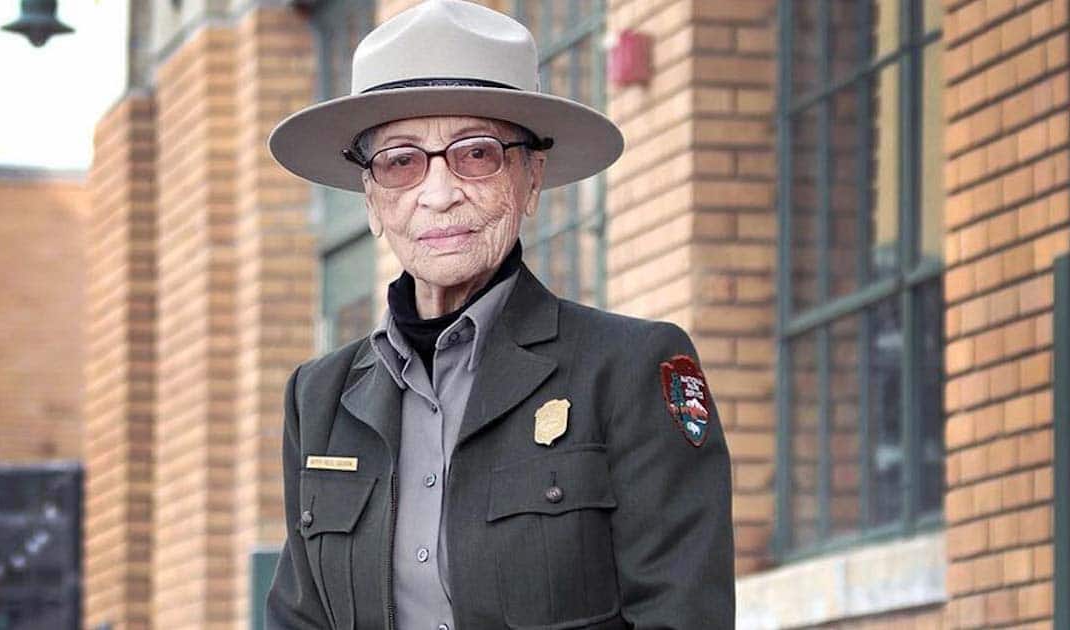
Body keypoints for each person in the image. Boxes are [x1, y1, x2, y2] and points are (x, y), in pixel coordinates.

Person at [264, 1, 734, 628]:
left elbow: (682, 615)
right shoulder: (318, 398)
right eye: (401, 162)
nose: (438, 192)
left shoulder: (627, 369)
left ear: (530, 179)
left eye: (476, 154)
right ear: (372, 200)